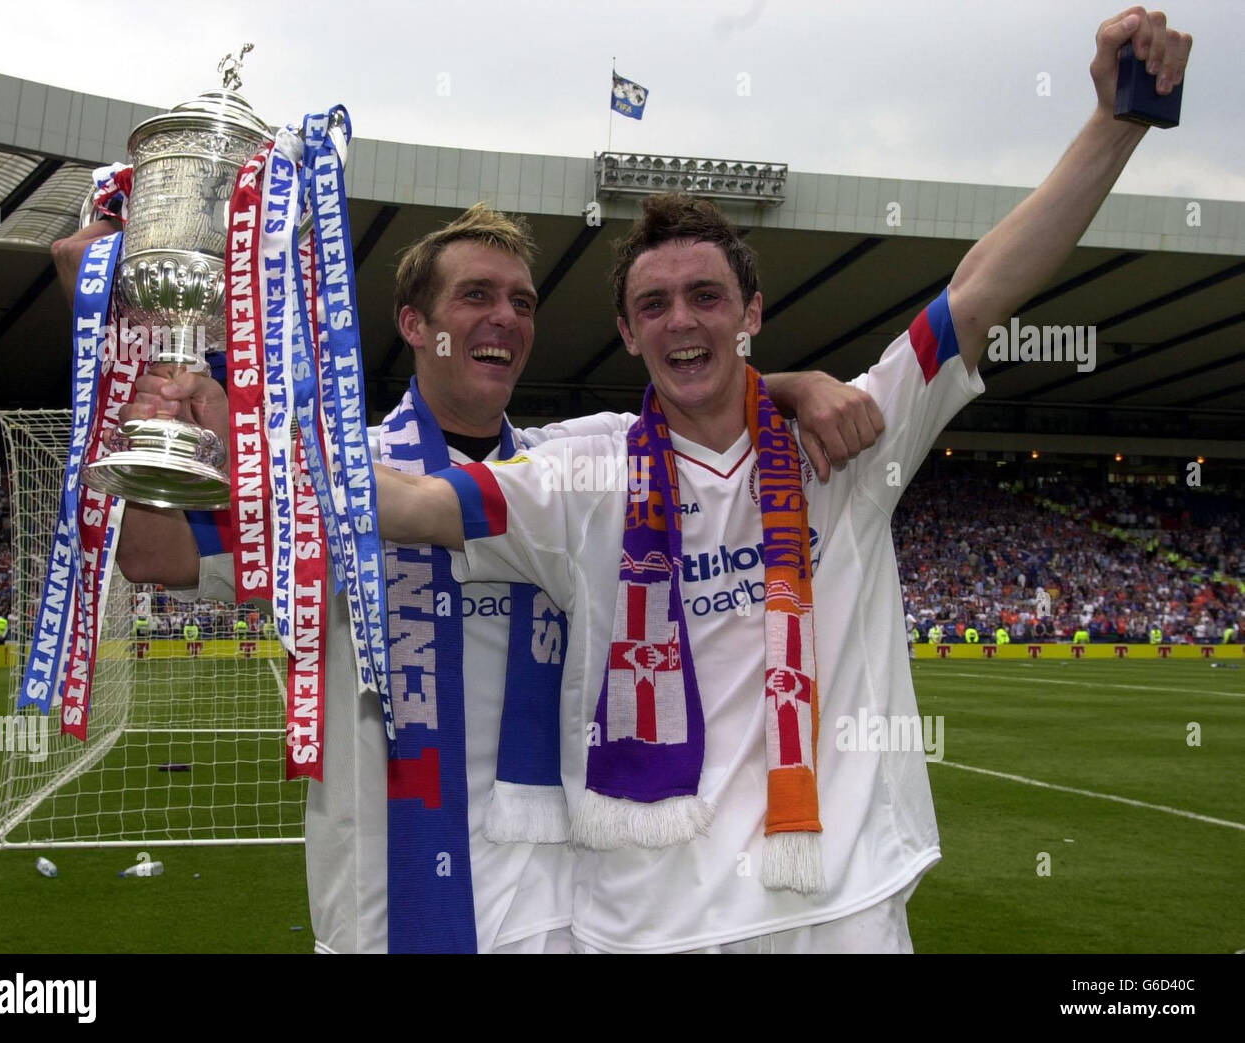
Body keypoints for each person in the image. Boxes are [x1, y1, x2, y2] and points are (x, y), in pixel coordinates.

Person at [369, 8, 1192, 952]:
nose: (684, 321)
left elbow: (982, 292)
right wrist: (261, 440)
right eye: (654, 304)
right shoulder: (582, 468)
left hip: (837, 909)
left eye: (707, 296)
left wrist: (1117, 122)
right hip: (650, 924)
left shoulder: (845, 446)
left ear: (750, 311)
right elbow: (420, 503)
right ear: (630, 333)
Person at [53, 201, 883, 953]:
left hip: (556, 906)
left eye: (522, 301)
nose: (506, 317)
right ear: (415, 323)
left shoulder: (579, 462)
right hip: (388, 896)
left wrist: (799, 386)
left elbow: (699, 392)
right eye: (477, 296)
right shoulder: (346, 472)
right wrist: (132, 385)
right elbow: (154, 557)